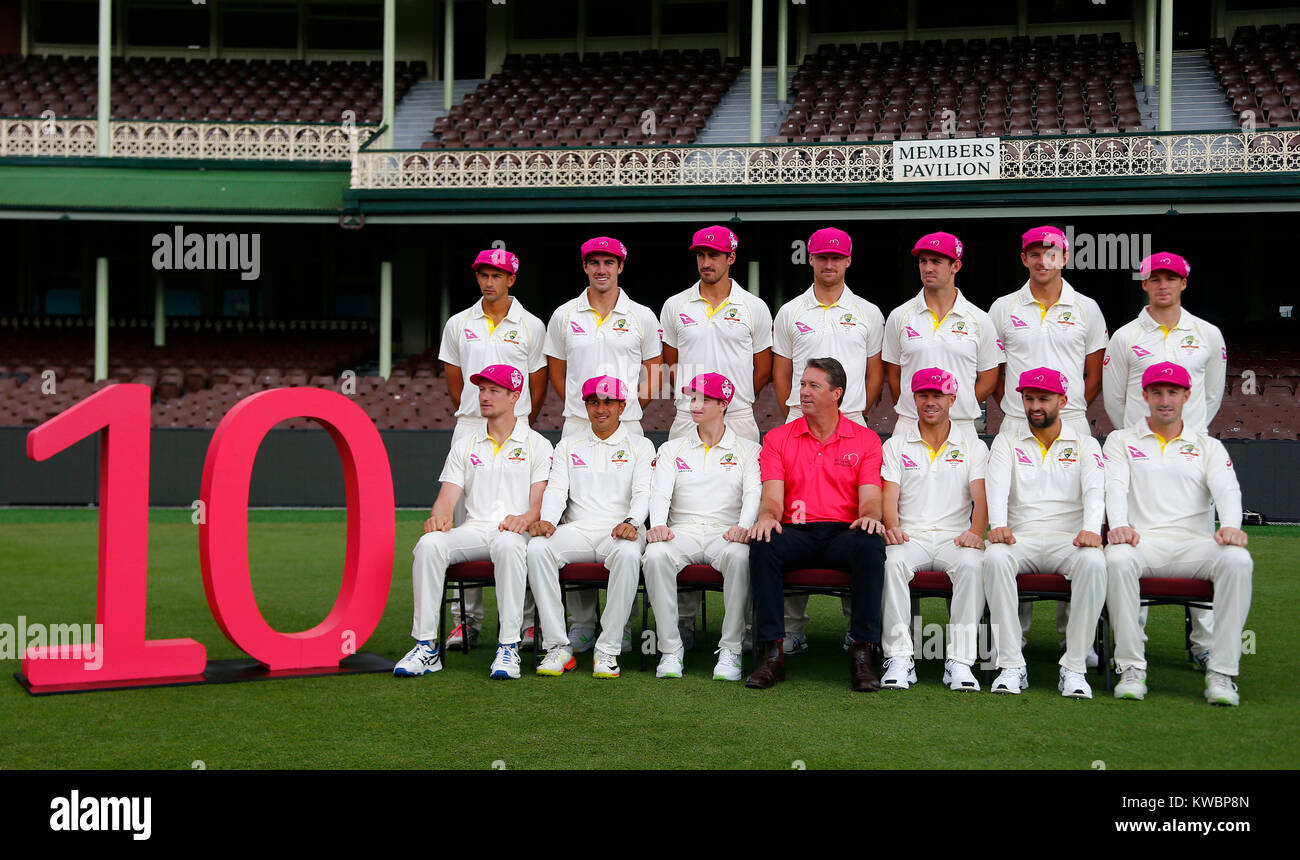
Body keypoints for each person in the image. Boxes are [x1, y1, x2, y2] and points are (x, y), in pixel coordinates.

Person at [988, 225, 1108, 659]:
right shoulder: (1002, 307)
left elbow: (1094, 374)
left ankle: (1073, 639)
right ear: (1024, 259)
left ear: (1065, 256)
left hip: (1069, 418)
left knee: (1074, 522)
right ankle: (1012, 640)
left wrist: (1063, 408)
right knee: (1013, 522)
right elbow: (994, 368)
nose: (1043, 260)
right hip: (1016, 419)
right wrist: (1026, 408)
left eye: (1051, 252)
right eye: (1034, 253)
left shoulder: (1087, 308)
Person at [1102, 252, 1226, 669]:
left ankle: (1204, 645)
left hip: (1191, 457)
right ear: (1144, 283)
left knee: (1201, 544)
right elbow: (1116, 399)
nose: (1163, 286)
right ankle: (1130, 649)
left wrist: (1181, 439)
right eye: (1155, 278)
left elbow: (1209, 397)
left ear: (1184, 284)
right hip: (1137, 455)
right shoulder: (1124, 336)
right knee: (1130, 543)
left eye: (1171, 278)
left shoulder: (1207, 334)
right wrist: (1141, 443)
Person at [1103, 361, 1252, 706]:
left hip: (1193, 547)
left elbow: (1228, 490)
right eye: (1157, 392)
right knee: (1118, 557)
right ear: (1145, 396)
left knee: (1238, 560)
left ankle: (1222, 672)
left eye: (1172, 392)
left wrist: (1231, 526)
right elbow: (1113, 486)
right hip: (1143, 543)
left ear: (1187, 395)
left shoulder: (1207, 446)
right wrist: (1120, 523)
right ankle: (1131, 667)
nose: (1164, 400)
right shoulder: (1120, 440)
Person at [395, 364, 552, 681]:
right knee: (429, 544)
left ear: (514, 397)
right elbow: (447, 497)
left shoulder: (538, 445)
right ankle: (426, 646)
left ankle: (508, 646)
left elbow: (539, 506)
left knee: (508, 545)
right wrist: (439, 516)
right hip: (474, 529)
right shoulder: (465, 444)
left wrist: (522, 519)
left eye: (494, 390)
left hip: (515, 532)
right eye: (481, 390)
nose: (484, 396)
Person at [544, 237, 662, 653]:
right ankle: (579, 623)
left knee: (626, 520)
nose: (601, 269)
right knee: (574, 517)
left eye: (608, 262)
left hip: (627, 423)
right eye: (593, 262)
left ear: (620, 267)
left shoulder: (642, 316)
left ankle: (623, 624)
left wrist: (627, 409)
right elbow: (557, 372)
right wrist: (581, 408)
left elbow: (653, 370)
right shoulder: (564, 314)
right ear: (584, 267)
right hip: (578, 423)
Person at [771, 227, 886, 654]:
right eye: (821, 258)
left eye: (836, 258)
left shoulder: (869, 312)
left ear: (848, 261)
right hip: (798, 427)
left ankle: (854, 632)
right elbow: (782, 372)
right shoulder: (789, 312)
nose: (829, 265)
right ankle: (793, 630)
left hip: (850, 423)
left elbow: (875, 374)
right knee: (793, 520)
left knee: (852, 523)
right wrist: (797, 408)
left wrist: (853, 412)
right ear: (811, 260)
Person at [659, 225, 773, 648]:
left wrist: (732, 402)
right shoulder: (674, 306)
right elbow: (671, 364)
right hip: (688, 415)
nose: (706, 262)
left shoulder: (754, 307)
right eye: (700, 255)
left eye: (715, 255)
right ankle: (683, 621)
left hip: (738, 415)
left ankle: (742, 625)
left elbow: (762, 368)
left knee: (741, 516)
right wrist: (699, 402)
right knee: (679, 516)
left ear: (731, 258)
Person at [745, 357, 888, 692]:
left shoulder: (866, 440)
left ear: (836, 393)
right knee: (762, 543)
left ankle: (862, 653)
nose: (803, 392)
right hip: (796, 531)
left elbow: (870, 498)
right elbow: (772, 499)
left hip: (844, 532)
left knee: (870, 544)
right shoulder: (778, 438)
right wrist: (766, 517)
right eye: (802, 384)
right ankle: (772, 654)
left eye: (813, 386)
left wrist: (870, 516)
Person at [437, 248, 547, 651]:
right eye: (483, 274)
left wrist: (522, 418)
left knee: (525, 527)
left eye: (497, 275)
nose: (489, 281)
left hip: (518, 431)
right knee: (464, 525)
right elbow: (455, 380)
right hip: (470, 427)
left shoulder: (532, 326)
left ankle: (529, 622)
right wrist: (473, 415)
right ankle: (464, 621)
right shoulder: (459, 323)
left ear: (511, 280)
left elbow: (539, 380)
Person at [983, 367, 1107, 698]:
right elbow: (996, 488)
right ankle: (1011, 664)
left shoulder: (1086, 444)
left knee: (1095, 563)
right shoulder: (1006, 440)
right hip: (1019, 536)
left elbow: (1096, 491)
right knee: (994, 557)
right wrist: (998, 526)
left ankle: (1075, 666)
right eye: (1029, 398)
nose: (1035, 406)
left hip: (1068, 539)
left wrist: (1091, 530)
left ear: (1062, 400)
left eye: (1043, 398)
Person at [525, 375, 654, 679]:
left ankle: (607, 648)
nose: (600, 408)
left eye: (608, 402)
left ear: (622, 406)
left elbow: (643, 493)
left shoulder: (641, 445)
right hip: (579, 529)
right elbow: (556, 491)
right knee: (537, 548)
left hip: (622, 529)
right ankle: (558, 645)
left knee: (627, 554)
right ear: (585, 406)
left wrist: (632, 522)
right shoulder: (568, 445)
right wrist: (548, 519)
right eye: (594, 402)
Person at [643, 373, 761, 681]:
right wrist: (657, 526)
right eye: (692, 398)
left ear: (723, 404)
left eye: (703, 399)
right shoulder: (672, 449)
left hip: (726, 532)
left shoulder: (749, 449)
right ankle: (670, 650)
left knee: (740, 556)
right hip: (682, 530)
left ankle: (731, 650)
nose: (694, 405)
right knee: (655, 556)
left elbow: (753, 493)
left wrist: (744, 526)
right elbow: (660, 492)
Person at [880, 368, 989, 692]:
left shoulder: (973, 446)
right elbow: (889, 495)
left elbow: (980, 496)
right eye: (923, 395)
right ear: (913, 398)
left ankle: (960, 661)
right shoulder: (896, 445)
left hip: (953, 537)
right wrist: (892, 528)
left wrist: (976, 531)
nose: (930, 402)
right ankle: (900, 658)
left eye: (937, 395)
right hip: (910, 534)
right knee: (891, 562)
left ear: (952, 399)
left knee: (972, 564)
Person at [882, 232, 1002, 438]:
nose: (928, 268)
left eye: (936, 261)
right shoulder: (900, 315)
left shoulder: (980, 319)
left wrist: (956, 403)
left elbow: (989, 377)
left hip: (960, 426)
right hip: (910, 424)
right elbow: (893, 373)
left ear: (955, 266)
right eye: (923, 261)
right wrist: (916, 407)